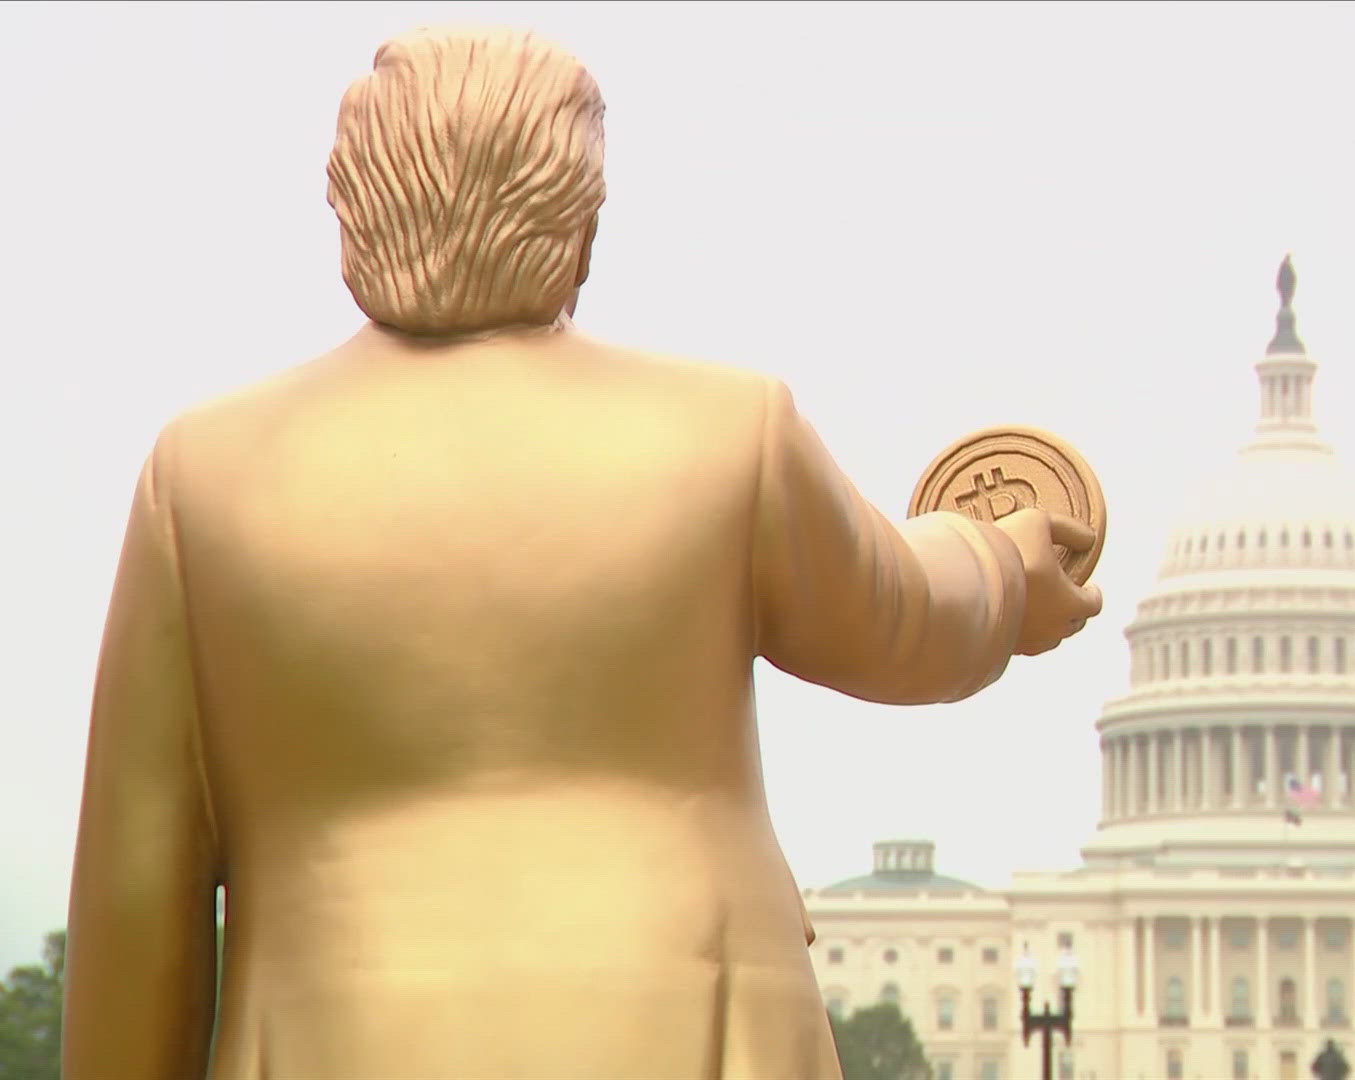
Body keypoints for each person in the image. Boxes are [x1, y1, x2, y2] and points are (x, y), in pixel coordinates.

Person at [60, 27, 1102, 1080]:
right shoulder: (725, 430)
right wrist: (1008, 562)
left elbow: (135, 894)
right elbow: (907, 620)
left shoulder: (204, 477)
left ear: (347, 207)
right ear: (582, 225)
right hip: (702, 1031)